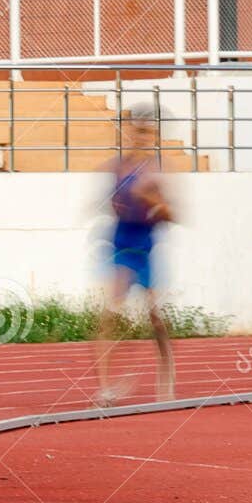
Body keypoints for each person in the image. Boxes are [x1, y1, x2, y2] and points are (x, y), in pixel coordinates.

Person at [95, 102, 176, 405]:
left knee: (155, 317)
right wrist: (116, 204)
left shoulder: (158, 170)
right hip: (120, 243)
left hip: (146, 245)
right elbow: (111, 202)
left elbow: (173, 214)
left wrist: (152, 203)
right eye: (136, 130)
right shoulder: (117, 166)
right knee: (109, 315)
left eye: (146, 131)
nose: (140, 136)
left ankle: (166, 380)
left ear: (153, 135)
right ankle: (104, 387)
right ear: (128, 132)